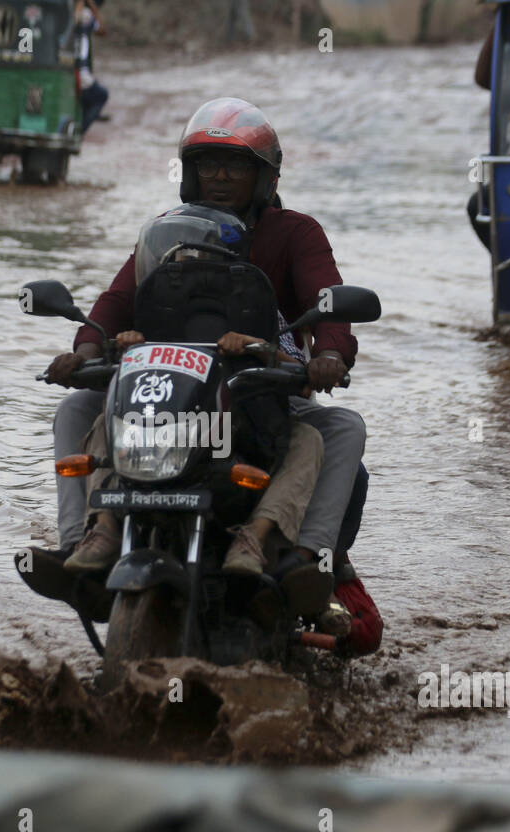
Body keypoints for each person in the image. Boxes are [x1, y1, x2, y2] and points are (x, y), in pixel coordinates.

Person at [47, 97, 367, 623]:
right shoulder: (166, 232)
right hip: (173, 401)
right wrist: (85, 349)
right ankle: (80, 540)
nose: (219, 177)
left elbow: (328, 301)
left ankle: (303, 559)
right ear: (189, 174)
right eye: (206, 165)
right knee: (79, 409)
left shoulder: (295, 233)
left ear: (264, 177)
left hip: (260, 398)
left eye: (236, 165)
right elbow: (115, 300)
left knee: (344, 428)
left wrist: (328, 354)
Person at [74, 0, 109, 133]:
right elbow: (102, 30)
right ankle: (78, 132)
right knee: (101, 96)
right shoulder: (85, 14)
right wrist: (91, 6)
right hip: (78, 71)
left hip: (70, 68)